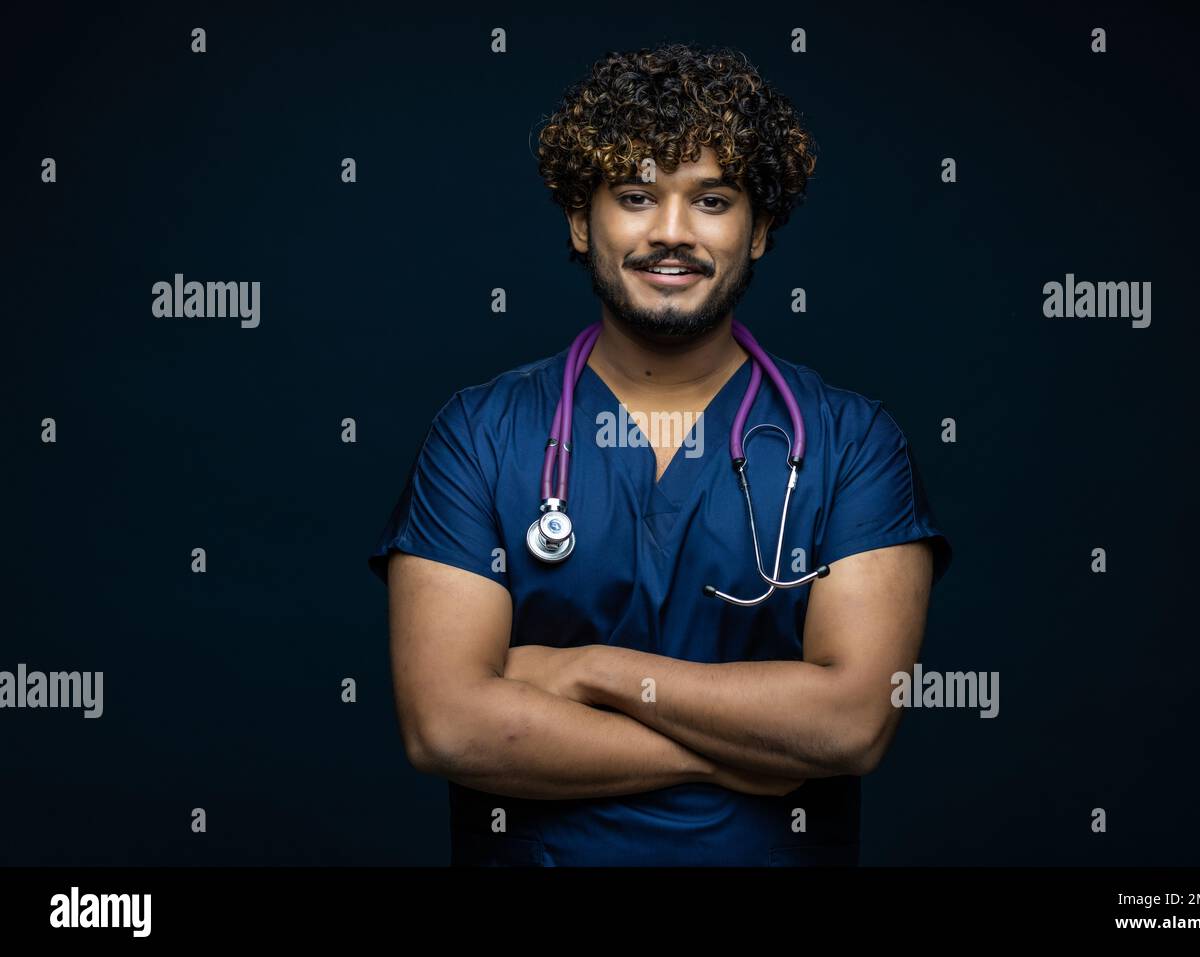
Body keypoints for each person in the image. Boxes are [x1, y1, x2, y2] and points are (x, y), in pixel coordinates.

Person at [367, 42, 953, 866]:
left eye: (712, 200)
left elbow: (851, 722)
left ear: (760, 233)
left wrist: (587, 671)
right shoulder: (479, 433)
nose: (671, 234)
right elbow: (449, 726)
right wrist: (749, 755)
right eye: (636, 196)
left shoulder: (854, 443)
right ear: (581, 219)